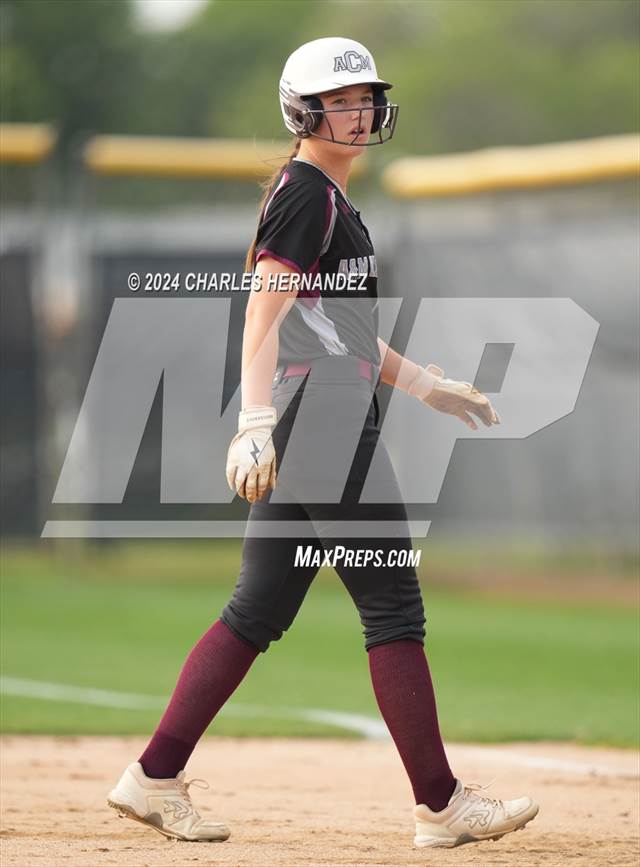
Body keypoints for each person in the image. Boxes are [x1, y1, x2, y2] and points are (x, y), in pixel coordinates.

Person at [108, 37, 539, 850]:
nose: (359, 111)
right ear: (302, 113)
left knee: (257, 609)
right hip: (321, 416)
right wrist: (254, 420)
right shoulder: (308, 193)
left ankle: (153, 777)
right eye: (339, 101)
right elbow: (264, 309)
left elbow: (342, 330)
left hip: (318, 406)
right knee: (392, 601)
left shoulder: (327, 197)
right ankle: (441, 805)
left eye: (364, 97)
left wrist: (426, 386)